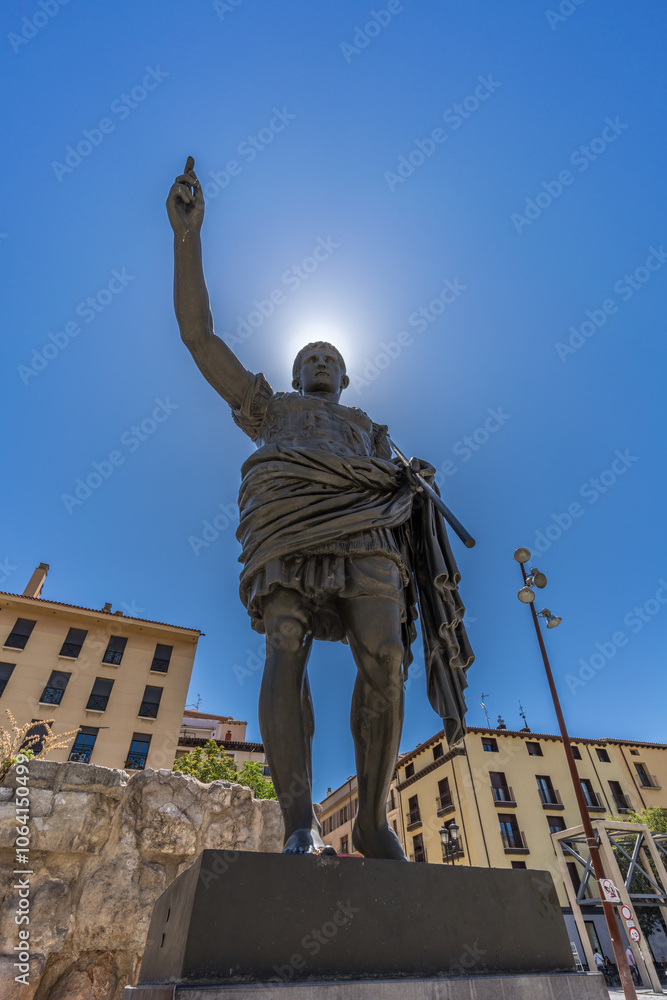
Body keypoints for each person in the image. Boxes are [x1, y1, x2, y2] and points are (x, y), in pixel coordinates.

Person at [167, 157, 474, 859]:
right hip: (288, 522)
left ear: (346, 374)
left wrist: (411, 480)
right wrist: (188, 236)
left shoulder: (370, 429)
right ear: (296, 370)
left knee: (386, 658)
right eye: (310, 355)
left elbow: (401, 487)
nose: (321, 361)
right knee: (285, 648)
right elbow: (198, 336)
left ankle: (369, 820)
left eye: (332, 356)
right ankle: (299, 821)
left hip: (368, 529)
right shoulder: (268, 408)